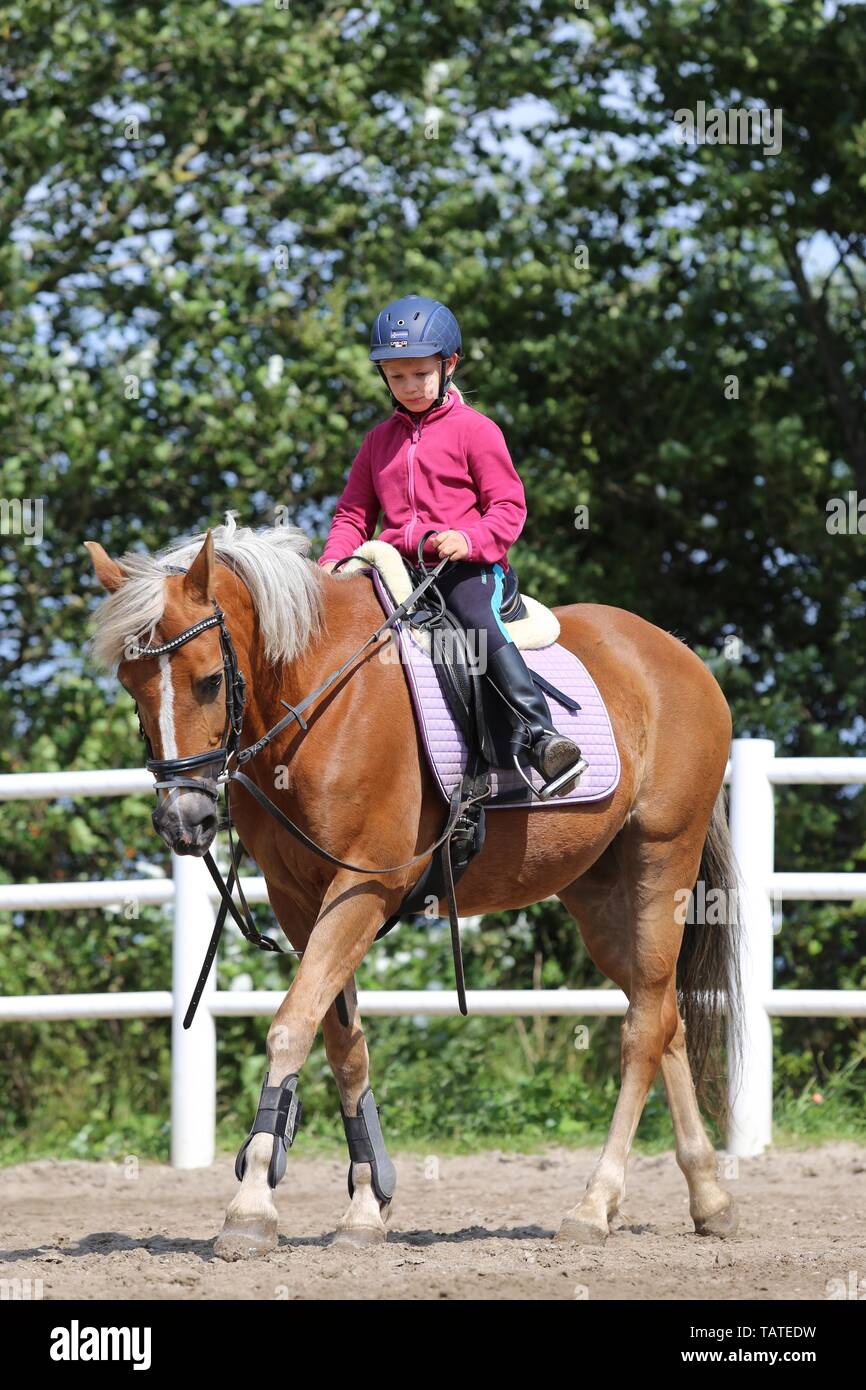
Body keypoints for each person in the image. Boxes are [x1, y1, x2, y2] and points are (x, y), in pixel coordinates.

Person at [317, 293, 587, 798]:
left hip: (469, 570)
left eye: (421, 374)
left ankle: (538, 736)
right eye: (397, 377)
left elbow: (509, 507)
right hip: (400, 570)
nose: (410, 387)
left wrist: (470, 538)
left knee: (475, 625)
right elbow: (354, 514)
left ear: (449, 365)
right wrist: (333, 560)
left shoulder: (476, 430)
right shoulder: (377, 442)